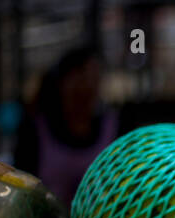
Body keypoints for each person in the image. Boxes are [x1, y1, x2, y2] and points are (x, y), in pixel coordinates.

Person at [14, 46, 118, 207]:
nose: (87, 88)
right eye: (80, 79)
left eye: (94, 79)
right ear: (62, 83)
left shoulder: (112, 128)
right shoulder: (35, 131)